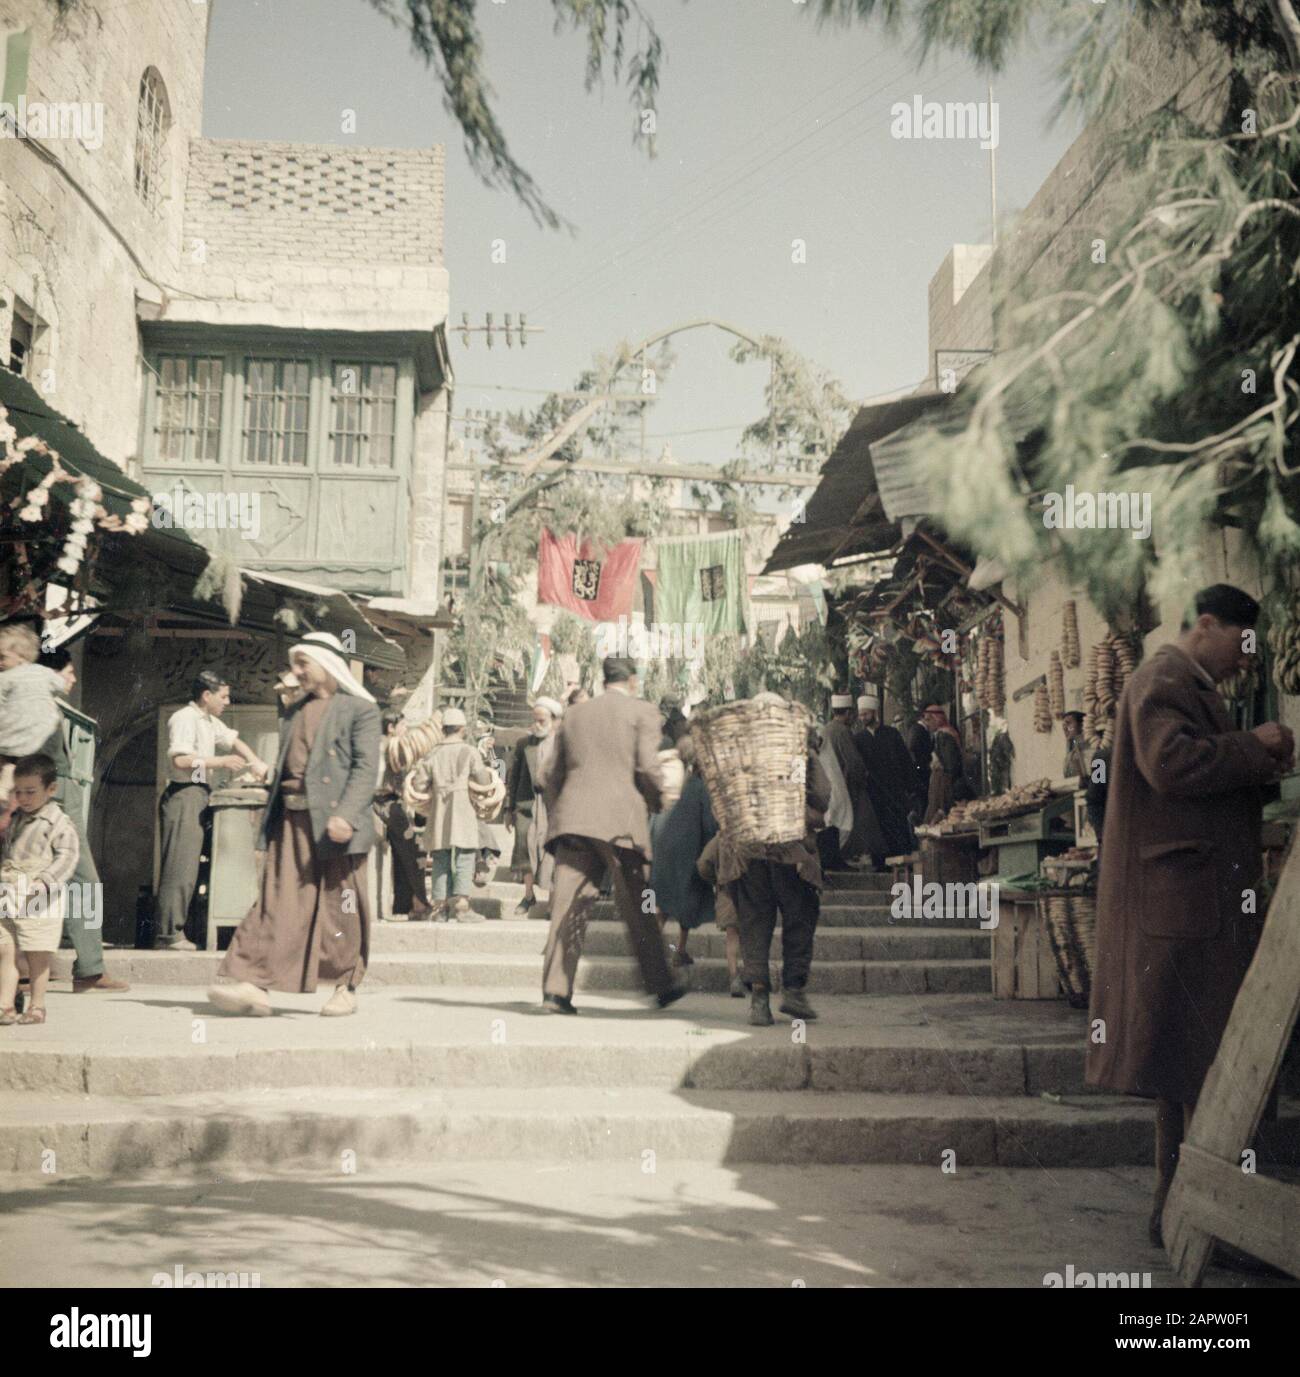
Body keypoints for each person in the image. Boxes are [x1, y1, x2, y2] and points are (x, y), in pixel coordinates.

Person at [1085, 585, 1294, 1250]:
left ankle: (1179, 1211)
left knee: (1185, 1059)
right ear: (1207, 625)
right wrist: (1255, 746)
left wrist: (1254, 758)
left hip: (1189, 900)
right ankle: (1201, 1216)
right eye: (1240, 645)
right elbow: (1171, 763)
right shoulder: (1164, 677)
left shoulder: (1182, 677)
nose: (1245, 662)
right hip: (1180, 905)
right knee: (1200, 1058)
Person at [208, 633, 381, 1018]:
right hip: (290, 821)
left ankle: (345, 986)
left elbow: (365, 769)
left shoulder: (361, 710)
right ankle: (253, 984)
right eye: (295, 663)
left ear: (328, 664)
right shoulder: (295, 708)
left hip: (337, 825)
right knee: (276, 901)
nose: (296, 671)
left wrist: (346, 815)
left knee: (342, 907)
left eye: (304, 663)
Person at [539, 656, 684, 1014]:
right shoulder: (642, 712)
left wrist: (563, 813)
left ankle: (555, 993)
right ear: (632, 680)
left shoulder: (574, 715)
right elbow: (648, 768)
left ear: (604, 680)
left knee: (565, 907)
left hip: (575, 822)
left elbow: (547, 776)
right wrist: (658, 802)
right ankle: (661, 985)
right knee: (639, 905)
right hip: (620, 824)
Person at [714, 695, 832, 1026]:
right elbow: (823, 795)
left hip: (749, 854)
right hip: (791, 853)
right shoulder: (795, 750)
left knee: (754, 924)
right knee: (799, 918)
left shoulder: (739, 754)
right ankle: (794, 990)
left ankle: (760, 1001)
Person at [35, 651, 128, 993]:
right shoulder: (40, 706)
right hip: (55, 794)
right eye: (68, 672)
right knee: (84, 880)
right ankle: (89, 966)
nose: (73, 679)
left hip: (46, 792)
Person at [157, 670, 268, 950]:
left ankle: (181, 930)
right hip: (185, 794)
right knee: (179, 868)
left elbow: (233, 740)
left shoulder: (207, 721)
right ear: (206, 696)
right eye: (223, 696)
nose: (227, 701)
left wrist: (255, 761)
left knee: (194, 867)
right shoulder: (184, 718)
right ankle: (168, 934)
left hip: (200, 793)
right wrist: (219, 762)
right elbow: (181, 760)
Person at [0, 753, 80, 1025]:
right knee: (5, 948)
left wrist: (45, 881)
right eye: (18, 792)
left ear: (51, 789)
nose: (23, 798)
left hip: (39, 894)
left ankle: (37, 1005)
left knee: (37, 951)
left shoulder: (57, 822)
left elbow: (68, 856)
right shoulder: (17, 819)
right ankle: (5, 1004)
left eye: (31, 792)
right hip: (11, 889)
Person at [407, 706, 494, 922]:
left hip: (439, 810)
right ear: (462, 729)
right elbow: (483, 780)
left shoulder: (432, 753)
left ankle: (439, 908)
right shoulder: (469, 751)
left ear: (443, 729)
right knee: (465, 856)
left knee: (440, 857)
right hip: (463, 808)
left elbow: (419, 784)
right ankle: (462, 907)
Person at [649, 730, 725, 979]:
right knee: (685, 900)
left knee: (664, 901)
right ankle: (676, 949)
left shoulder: (674, 775)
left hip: (664, 845)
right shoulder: (700, 786)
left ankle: (661, 949)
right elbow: (709, 823)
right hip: (688, 853)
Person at [0, 623, 67, 815]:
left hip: (16, 732)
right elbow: (61, 685)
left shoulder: (4, 678)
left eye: (2, 657)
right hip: (43, 730)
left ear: (21, 657)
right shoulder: (43, 672)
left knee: (10, 761)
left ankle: (5, 787)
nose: (0, 663)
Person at [506, 698, 563, 915]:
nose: (537, 725)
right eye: (535, 720)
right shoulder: (524, 745)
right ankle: (528, 896)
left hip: (552, 807)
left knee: (552, 852)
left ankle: (553, 901)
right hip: (527, 804)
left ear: (554, 721)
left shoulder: (562, 744)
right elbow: (513, 778)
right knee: (524, 848)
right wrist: (508, 810)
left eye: (542, 721)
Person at [375, 710, 433, 921]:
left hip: (386, 803)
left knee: (403, 855)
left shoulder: (376, 744)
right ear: (391, 728)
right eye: (403, 726)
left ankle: (404, 905)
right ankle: (419, 903)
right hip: (387, 804)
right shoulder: (390, 747)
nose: (405, 730)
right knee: (413, 852)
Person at [853, 691, 915, 862]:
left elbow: (905, 761)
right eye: (861, 715)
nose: (862, 718)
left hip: (894, 790)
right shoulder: (858, 739)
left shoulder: (892, 734)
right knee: (877, 829)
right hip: (873, 792)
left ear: (874, 713)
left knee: (897, 827)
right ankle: (881, 863)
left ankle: (902, 860)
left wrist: (909, 788)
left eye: (865, 714)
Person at [823, 693, 885, 866]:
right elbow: (854, 763)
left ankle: (833, 859)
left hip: (828, 785)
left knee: (832, 823)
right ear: (848, 713)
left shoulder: (826, 729)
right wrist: (861, 780)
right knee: (861, 823)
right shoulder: (843, 731)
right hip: (844, 785)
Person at [922, 705, 965, 824]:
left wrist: (938, 766)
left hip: (945, 783)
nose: (927, 724)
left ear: (936, 719)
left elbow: (951, 764)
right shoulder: (941, 734)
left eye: (928, 719)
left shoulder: (944, 735)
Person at [906, 711, 934, 820]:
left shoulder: (916, 729)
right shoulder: (919, 730)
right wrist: (923, 765)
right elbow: (913, 748)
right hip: (922, 771)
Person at [1062, 711, 1088, 779]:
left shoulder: (1089, 747)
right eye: (1063, 725)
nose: (1065, 728)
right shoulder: (1071, 750)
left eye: (1068, 723)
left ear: (1081, 725)